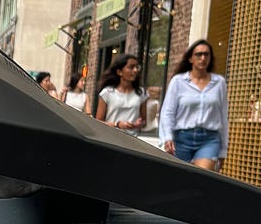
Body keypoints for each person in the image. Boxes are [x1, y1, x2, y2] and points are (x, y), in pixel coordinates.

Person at [160, 39, 228, 169]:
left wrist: (223, 150)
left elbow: (223, 116)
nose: (203, 58)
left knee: (202, 177)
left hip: (208, 139)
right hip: (181, 138)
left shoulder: (219, 83)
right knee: (178, 179)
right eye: (198, 54)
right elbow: (167, 112)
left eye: (206, 54)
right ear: (190, 58)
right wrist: (167, 137)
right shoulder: (178, 82)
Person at [95, 53, 147, 132]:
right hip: (110, 139)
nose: (135, 70)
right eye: (131, 67)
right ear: (119, 72)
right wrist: (117, 124)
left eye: (137, 67)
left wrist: (139, 124)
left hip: (132, 140)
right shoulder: (107, 93)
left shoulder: (141, 93)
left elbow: (144, 121)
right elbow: (97, 123)